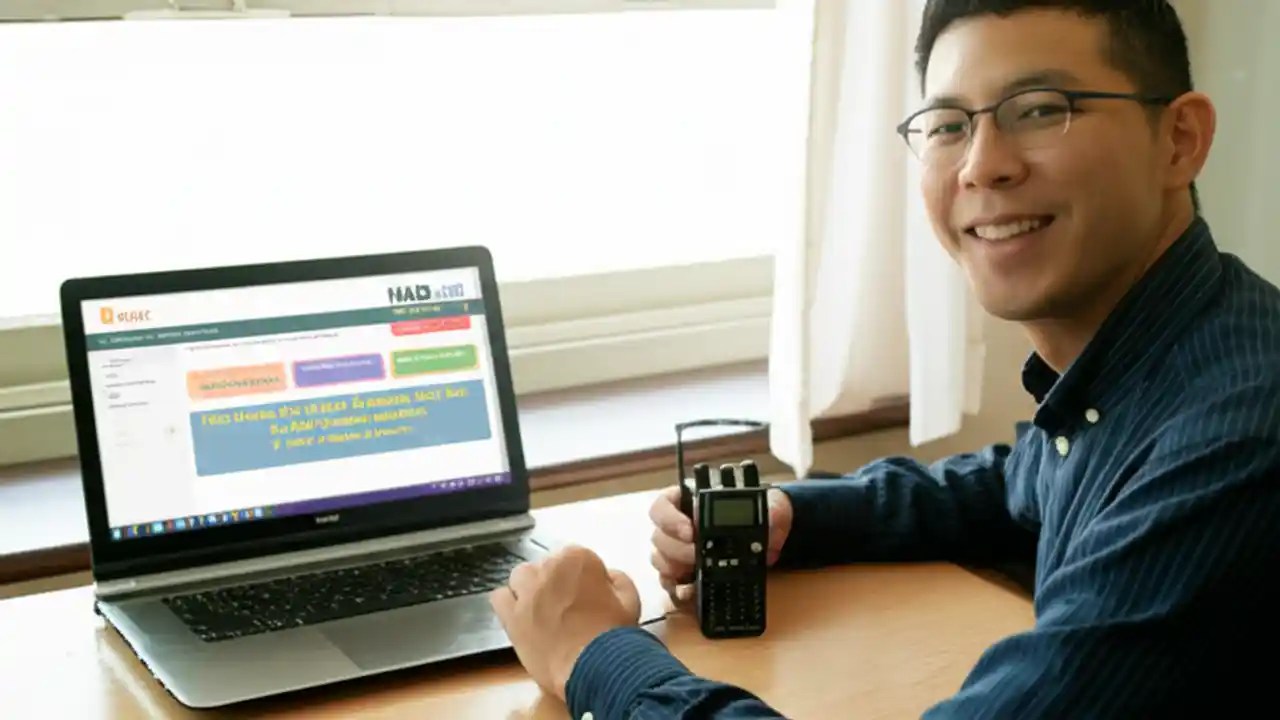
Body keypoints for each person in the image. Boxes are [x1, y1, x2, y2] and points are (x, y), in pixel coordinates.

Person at [488, 1, 1280, 717]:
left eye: (1040, 109)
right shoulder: (1166, 358)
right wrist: (797, 518)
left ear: (1180, 140)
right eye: (947, 124)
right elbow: (1018, 485)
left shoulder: (1238, 437)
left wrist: (595, 657)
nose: (981, 166)